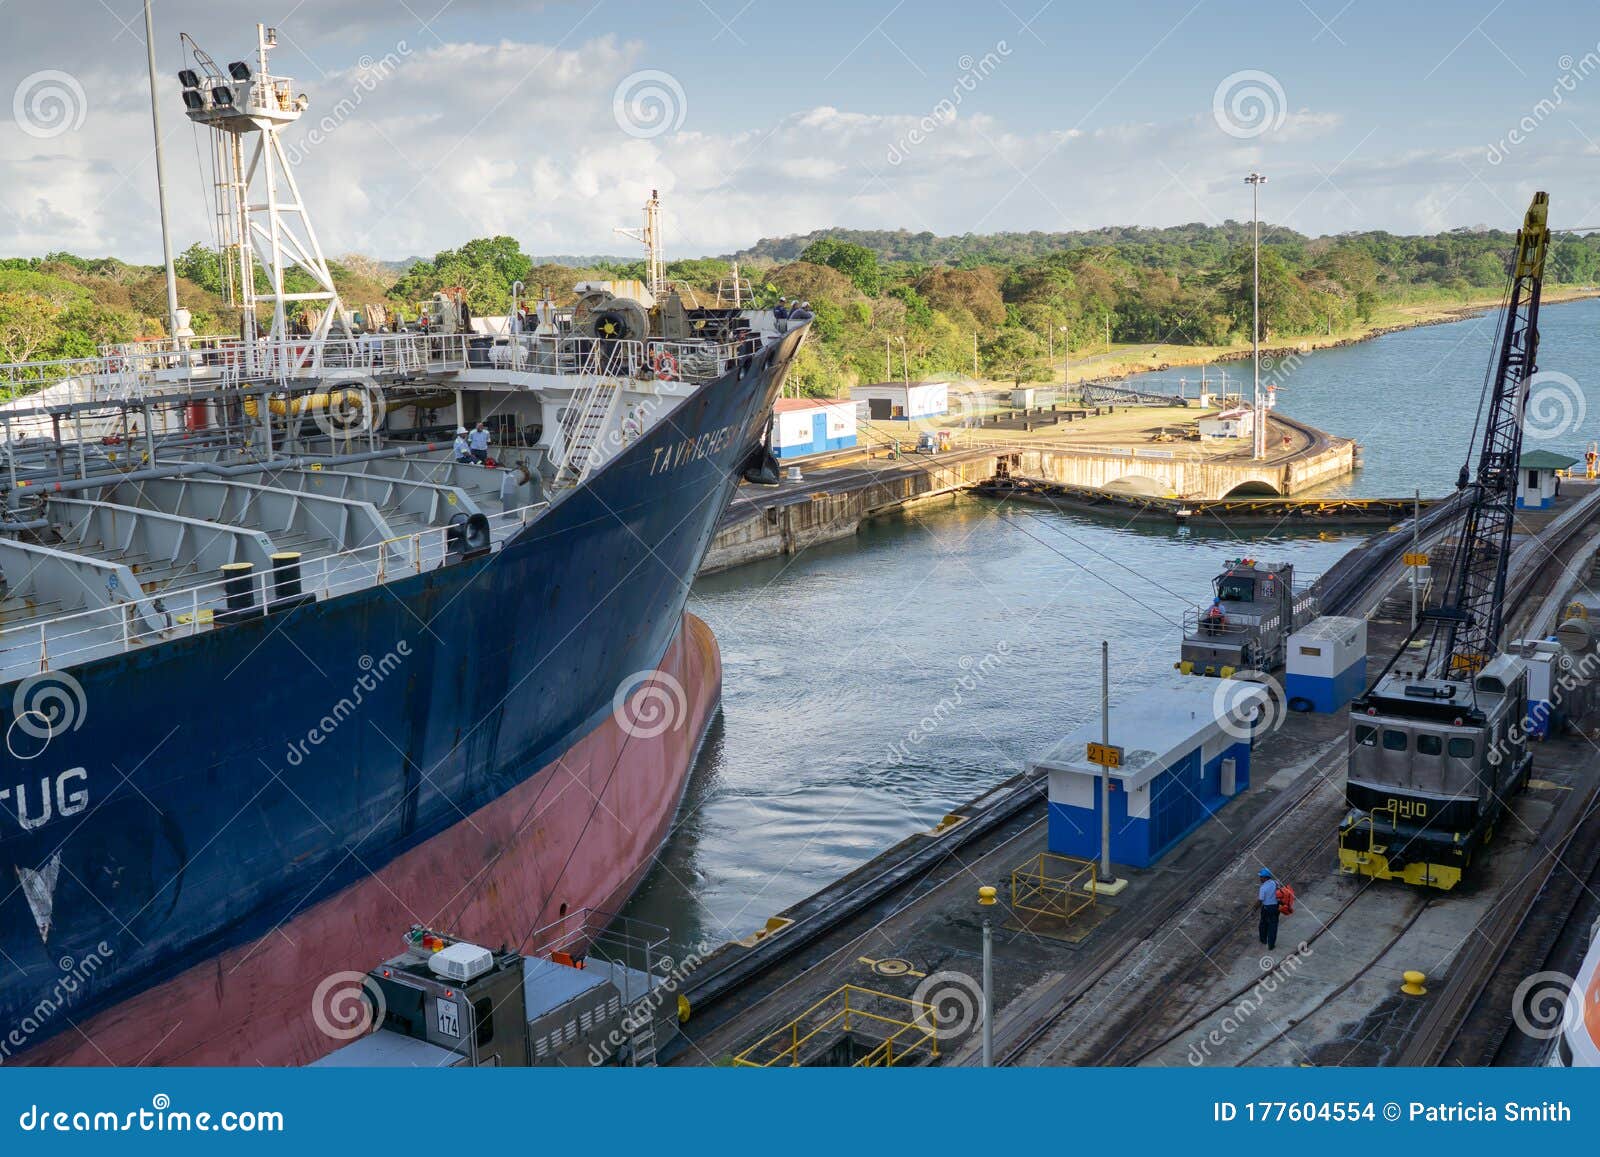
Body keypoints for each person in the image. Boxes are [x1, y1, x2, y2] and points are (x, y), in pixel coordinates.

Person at [1257, 868, 1279, 952]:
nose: (1260, 878)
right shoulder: (1276, 883)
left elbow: (1260, 900)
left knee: (1263, 924)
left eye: (1261, 877)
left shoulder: (1263, 888)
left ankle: (1263, 939)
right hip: (1275, 907)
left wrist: (1254, 908)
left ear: (1266, 877)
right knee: (1273, 926)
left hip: (1266, 908)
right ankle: (1271, 945)